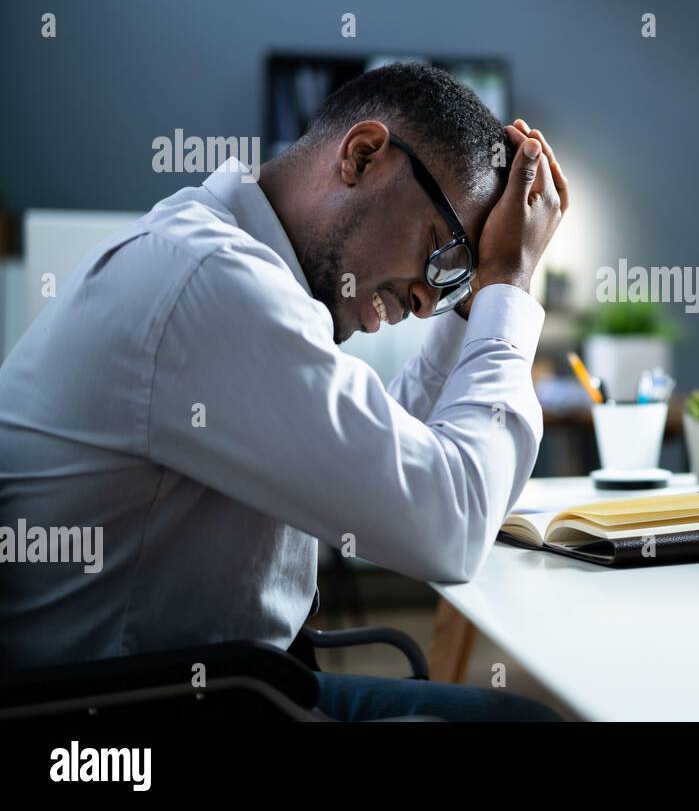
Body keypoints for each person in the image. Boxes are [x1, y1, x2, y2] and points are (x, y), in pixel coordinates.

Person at [0, 63, 567, 720]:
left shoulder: (233, 265)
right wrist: (508, 285)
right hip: (133, 713)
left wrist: (474, 304)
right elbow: (451, 526)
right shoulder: (208, 282)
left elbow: (384, 457)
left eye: (453, 282)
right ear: (362, 155)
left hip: (230, 681)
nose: (424, 303)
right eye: (440, 253)